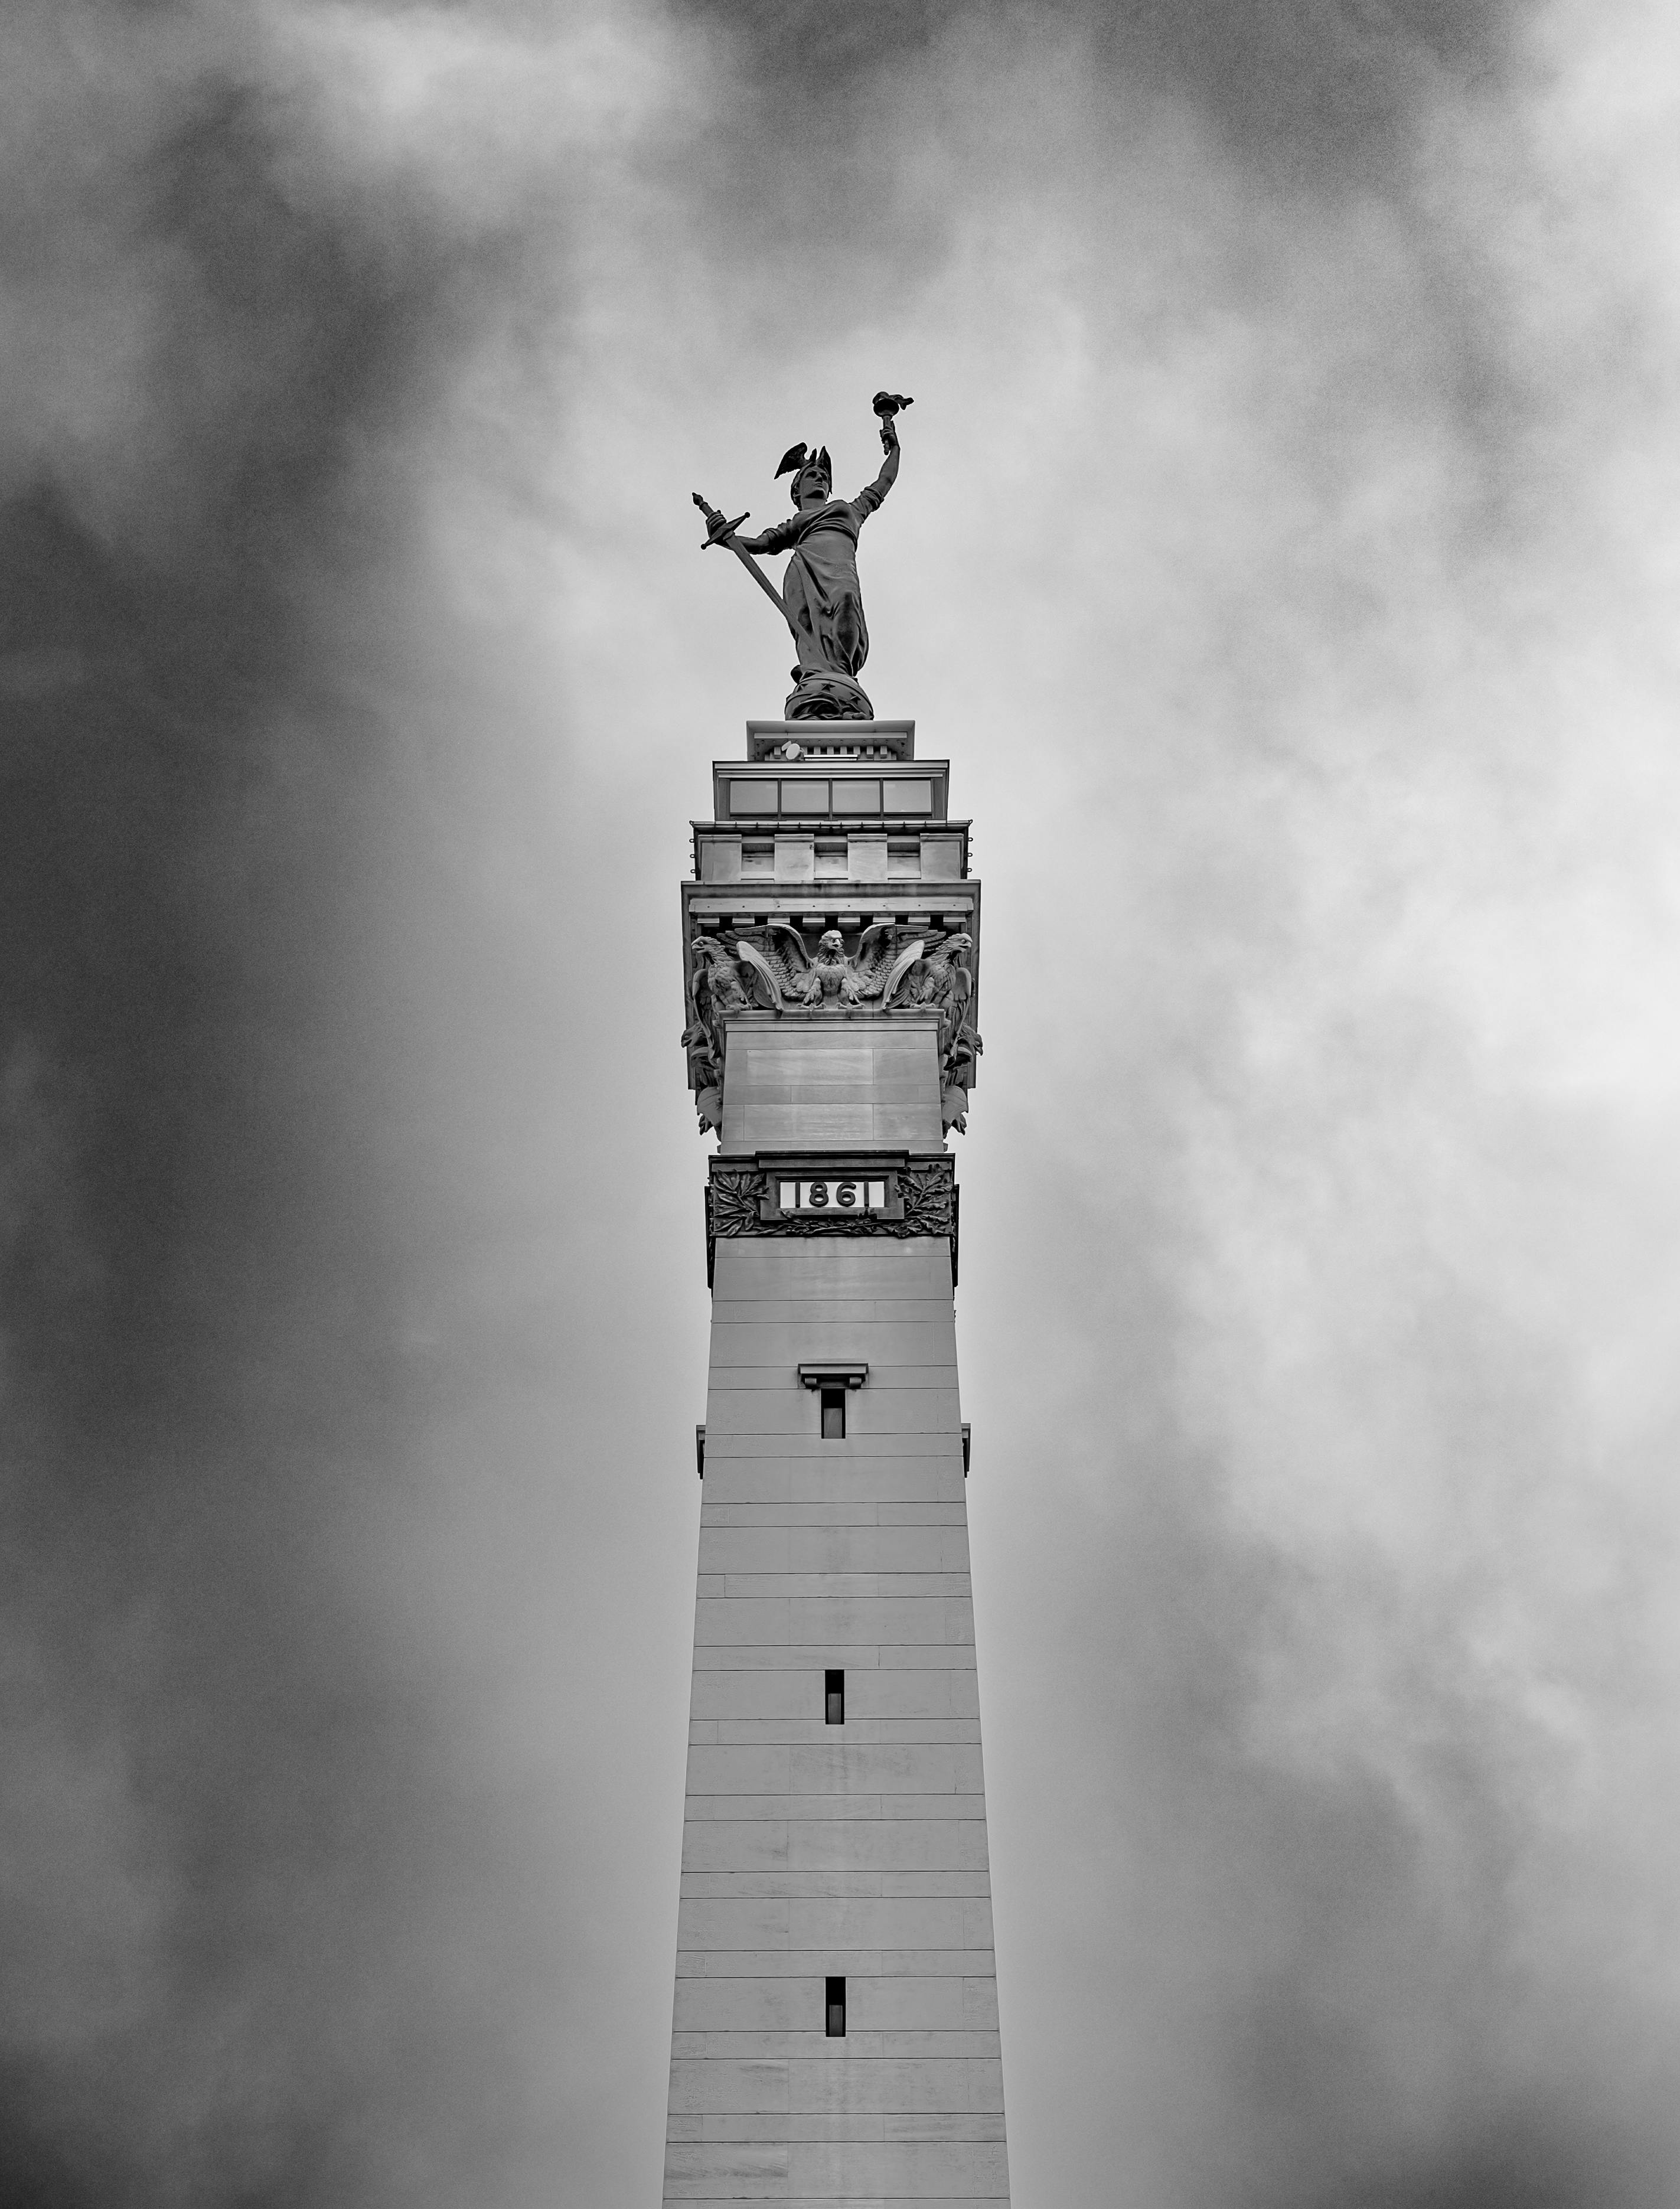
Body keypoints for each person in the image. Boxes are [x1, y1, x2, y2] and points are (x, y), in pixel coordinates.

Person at [735, 406, 902, 720]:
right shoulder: (797, 522)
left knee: (846, 600)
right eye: (812, 475)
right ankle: (816, 678)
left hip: (839, 570)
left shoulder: (852, 510)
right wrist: (726, 537)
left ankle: (840, 676)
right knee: (808, 629)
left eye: (823, 477)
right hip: (803, 571)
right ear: (796, 489)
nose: (819, 479)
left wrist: (894, 447)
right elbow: (761, 544)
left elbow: (885, 481)